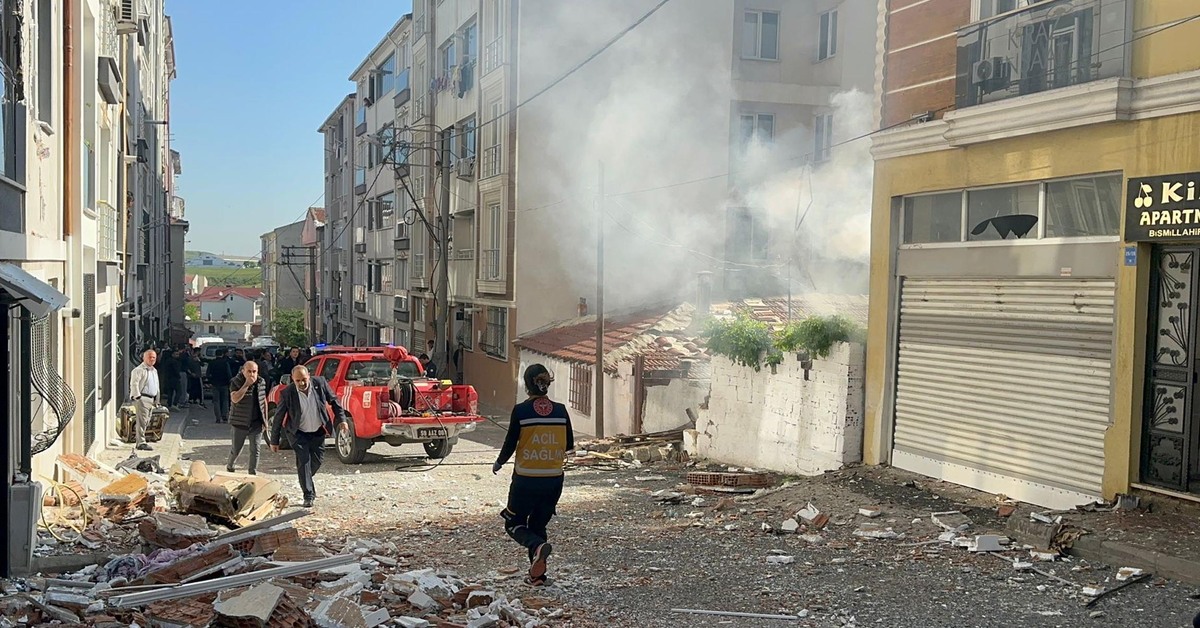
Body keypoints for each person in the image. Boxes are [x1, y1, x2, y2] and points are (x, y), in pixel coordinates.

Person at [492, 364, 575, 586]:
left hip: (526, 480)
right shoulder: (561, 411)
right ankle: (537, 576)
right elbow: (569, 445)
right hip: (554, 481)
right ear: (547, 383)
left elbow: (510, 442)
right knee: (538, 526)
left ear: (527, 385)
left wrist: (499, 462)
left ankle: (537, 547)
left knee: (513, 523)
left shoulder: (521, 411)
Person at [269, 365, 348, 508]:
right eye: (297, 380)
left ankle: (305, 479)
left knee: (317, 461)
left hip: (318, 431)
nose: (301, 383)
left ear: (309, 376)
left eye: (304, 379)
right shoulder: (287, 393)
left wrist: (342, 419)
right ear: (293, 379)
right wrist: (274, 441)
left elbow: (334, 401)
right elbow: (278, 416)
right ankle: (308, 495)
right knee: (304, 461)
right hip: (298, 433)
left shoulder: (320, 384)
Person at [228, 361, 268, 474]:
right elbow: (235, 399)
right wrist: (246, 384)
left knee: (255, 449)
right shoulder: (236, 382)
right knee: (236, 449)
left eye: (254, 372)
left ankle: (252, 472)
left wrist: (265, 420)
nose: (252, 374)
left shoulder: (261, 382)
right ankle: (230, 465)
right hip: (240, 421)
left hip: (256, 422)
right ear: (243, 371)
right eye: (249, 371)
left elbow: (263, 400)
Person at [128, 350, 161, 451]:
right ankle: (141, 442)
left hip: (151, 398)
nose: (152, 359)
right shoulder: (138, 370)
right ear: (144, 358)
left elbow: (156, 386)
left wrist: (157, 400)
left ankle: (141, 439)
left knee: (146, 420)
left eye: (154, 357)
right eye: (150, 357)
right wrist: (137, 397)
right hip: (143, 398)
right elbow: (134, 384)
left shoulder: (154, 370)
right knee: (142, 421)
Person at [207, 348, 235, 423]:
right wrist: (230, 381)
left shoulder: (212, 363)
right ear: (222, 354)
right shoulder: (225, 363)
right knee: (225, 400)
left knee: (216, 401)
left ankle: (218, 417)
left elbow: (208, 374)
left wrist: (210, 381)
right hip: (224, 384)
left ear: (215, 354)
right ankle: (224, 416)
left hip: (215, 384)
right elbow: (229, 373)